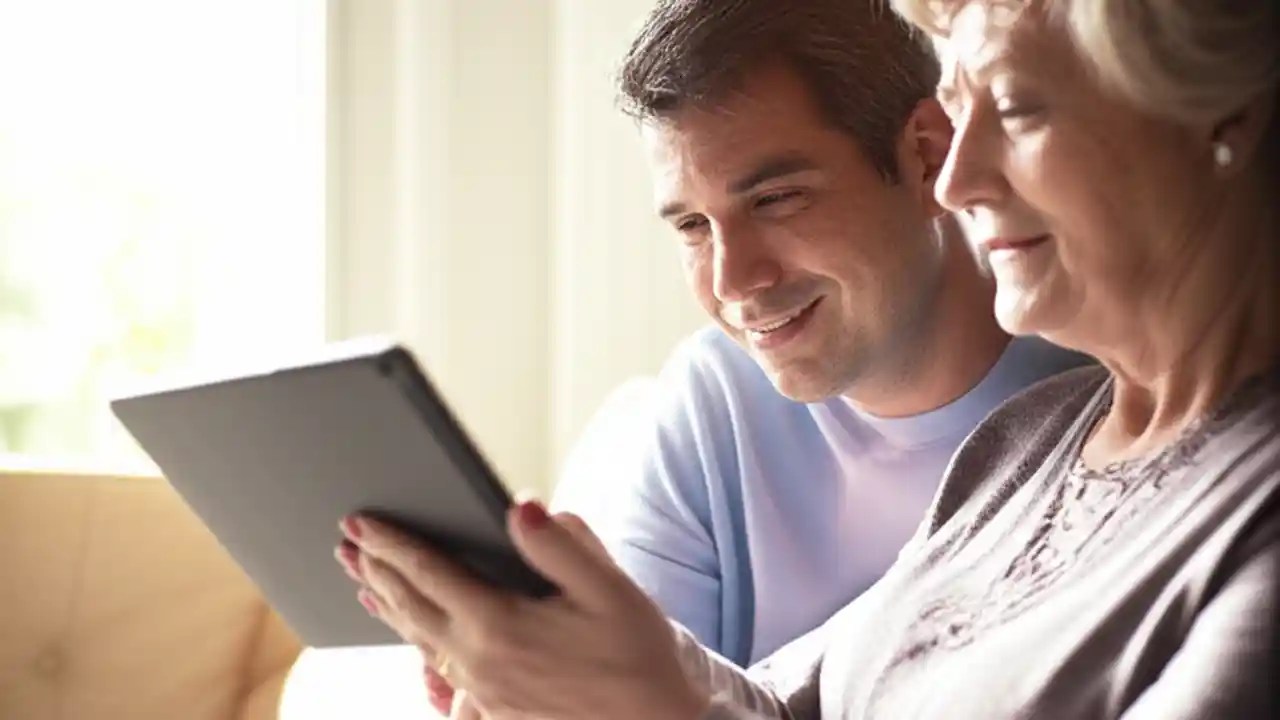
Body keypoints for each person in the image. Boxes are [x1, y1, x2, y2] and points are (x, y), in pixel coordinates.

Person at [336, 0, 1280, 717]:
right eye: (962, 111)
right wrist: (584, 656)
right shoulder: (1033, 441)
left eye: (1022, 110)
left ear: (1222, 118)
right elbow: (781, 707)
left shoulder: (1253, 520)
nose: (958, 177)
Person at [554, 0, 1087, 672]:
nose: (733, 280)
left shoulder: (1107, 396)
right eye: (692, 226)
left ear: (927, 157)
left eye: (776, 199)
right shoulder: (711, 403)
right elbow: (627, 694)